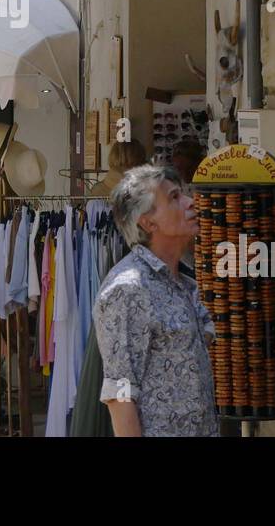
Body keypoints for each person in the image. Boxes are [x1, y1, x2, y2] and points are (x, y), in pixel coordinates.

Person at [93, 165, 218, 437]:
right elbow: (120, 392)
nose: (190, 202)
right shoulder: (127, 289)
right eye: (174, 197)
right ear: (148, 222)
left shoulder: (182, 281)